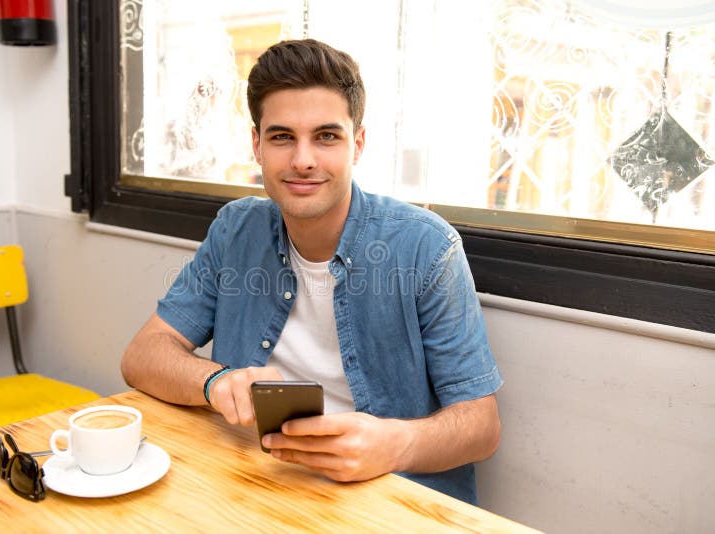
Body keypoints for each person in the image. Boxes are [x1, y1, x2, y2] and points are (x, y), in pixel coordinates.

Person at [121, 38, 503, 504]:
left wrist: (393, 444)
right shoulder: (235, 228)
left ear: (357, 144)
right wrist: (216, 382)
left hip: (387, 499)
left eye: (326, 136)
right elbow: (142, 356)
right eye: (282, 136)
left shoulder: (427, 247)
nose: (303, 159)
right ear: (257, 145)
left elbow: (481, 427)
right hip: (253, 482)